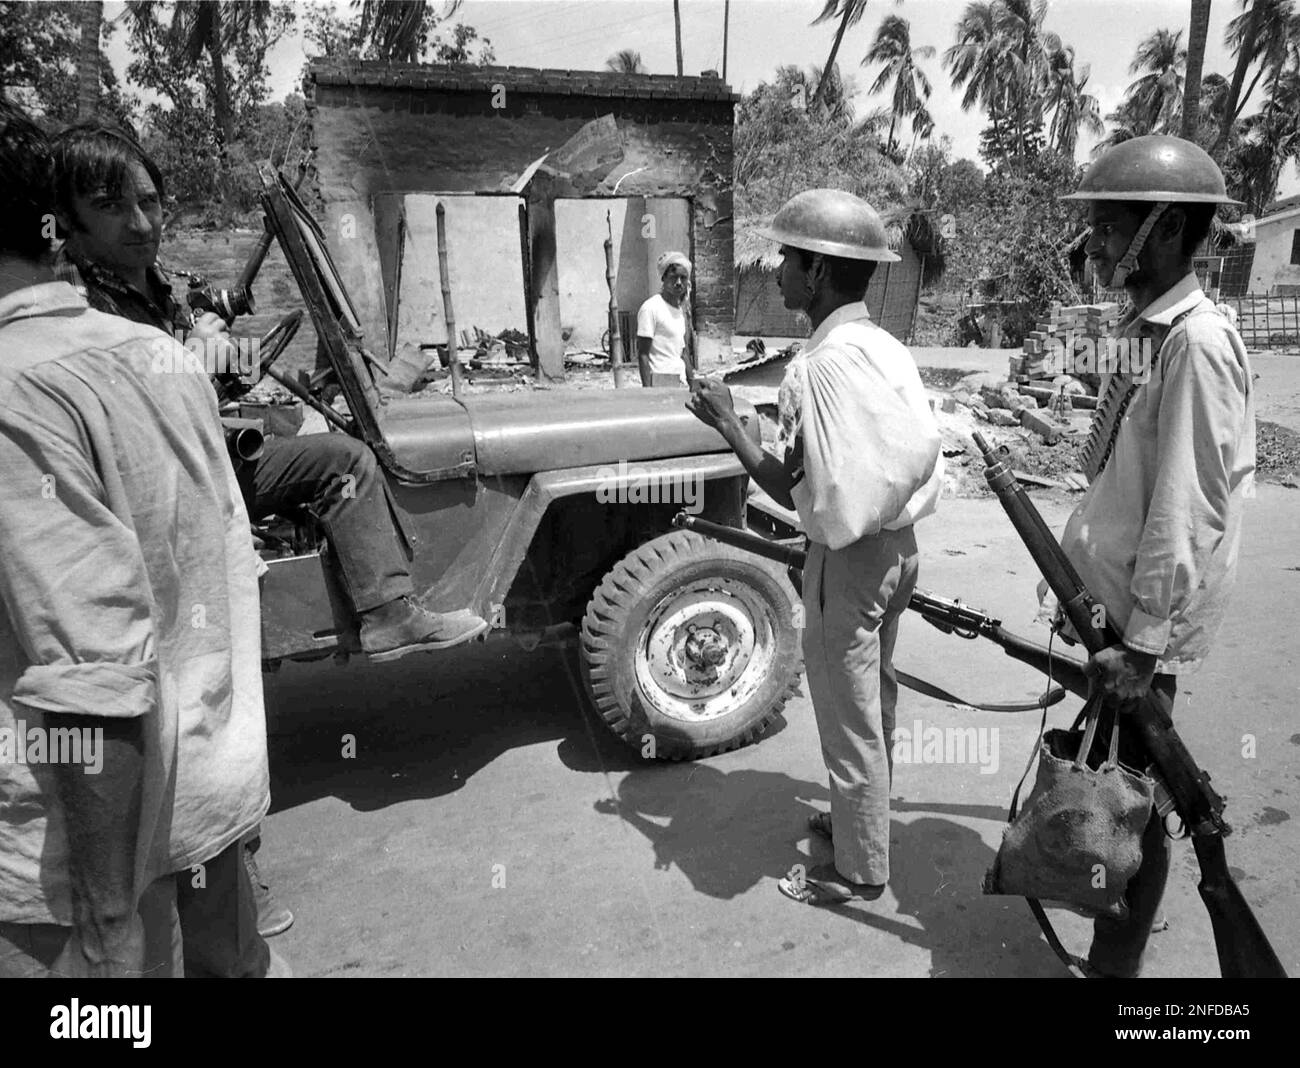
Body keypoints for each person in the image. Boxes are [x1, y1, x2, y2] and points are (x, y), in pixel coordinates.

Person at [0, 102, 283, 977]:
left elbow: (92, 674)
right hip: (195, 793)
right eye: (115, 206)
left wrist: (107, 920)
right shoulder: (144, 352)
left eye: (151, 202)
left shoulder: (24, 387)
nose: (142, 223)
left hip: (94, 853)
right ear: (62, 224)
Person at [687, 189, 943, 906]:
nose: (777, 272)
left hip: (849, 566)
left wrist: (728, 423)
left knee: (844, 717)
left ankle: (860, 871)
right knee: (874, 701)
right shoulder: (885, 347)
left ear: (820, 271)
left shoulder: (815, 368)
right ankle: (864, 823)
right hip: (901, 551)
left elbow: (784, 479)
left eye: (788, 260)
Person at [1053, 135, 1254, 978]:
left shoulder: (1196, 343)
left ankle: (1115, 972)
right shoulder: (1152, 333)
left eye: (1108, 226)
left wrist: (1140, 646)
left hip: (1138, 631)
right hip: (1117, 617)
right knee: (1122, 790)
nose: (1094, 244)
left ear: (1164, 229)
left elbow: (1186, 504)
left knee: (1129, 806)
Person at [636, 251, 694, 386]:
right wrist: (648, 391)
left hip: (680, 382)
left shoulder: (680, 311)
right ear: (664, 278)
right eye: (674, 277)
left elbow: (682, 353)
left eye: (683, 278)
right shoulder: (651, 308)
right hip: (660, 382)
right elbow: (643, 354)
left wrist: (692, 383)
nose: (678, 283)